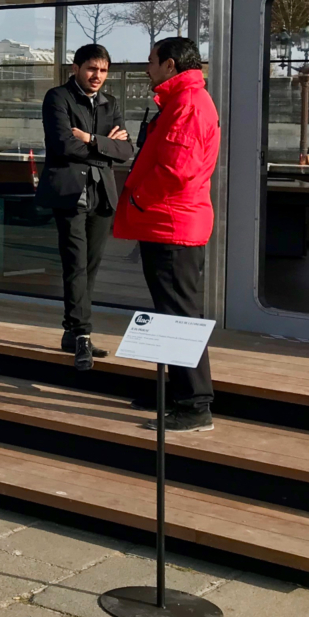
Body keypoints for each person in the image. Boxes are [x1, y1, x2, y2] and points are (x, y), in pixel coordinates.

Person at [113, 36, 221, 432]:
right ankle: (178, 392)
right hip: (168, 220)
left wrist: (139, 198)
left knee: (179, 315)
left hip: (172, 222)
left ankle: (194, 404)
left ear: (170, 65)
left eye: (151, 61)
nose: (147, 68)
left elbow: (178, 169)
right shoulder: (181, 100)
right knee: (171, 311)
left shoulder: (189, 104)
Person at [37, 44, 134, 369]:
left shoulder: (111, 103)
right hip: (70, 193)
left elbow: (126, 151)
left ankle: (71, 331)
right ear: (75, 68)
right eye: (92, 68)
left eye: (103, 70)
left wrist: (91, 139)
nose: (98, 76)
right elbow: (63, 144)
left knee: (90, 266)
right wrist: (106, 145)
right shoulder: (57, 98)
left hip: (102, 194)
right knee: (76, 262)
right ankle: (82, 335)